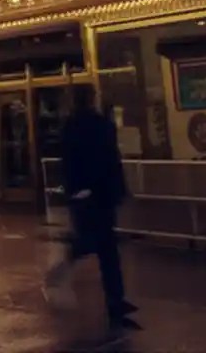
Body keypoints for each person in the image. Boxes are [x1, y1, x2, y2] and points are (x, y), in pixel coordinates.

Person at [45, 101, 139, 333]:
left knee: (103, 247)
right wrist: (117, 190)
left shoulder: (74, 127)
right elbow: (108, 161)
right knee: (101, 246)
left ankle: (115, 299)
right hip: (99, 195)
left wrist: (74, 190)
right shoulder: (97, 127)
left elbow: (70, 163)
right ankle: (114, 299)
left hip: (89, 195)